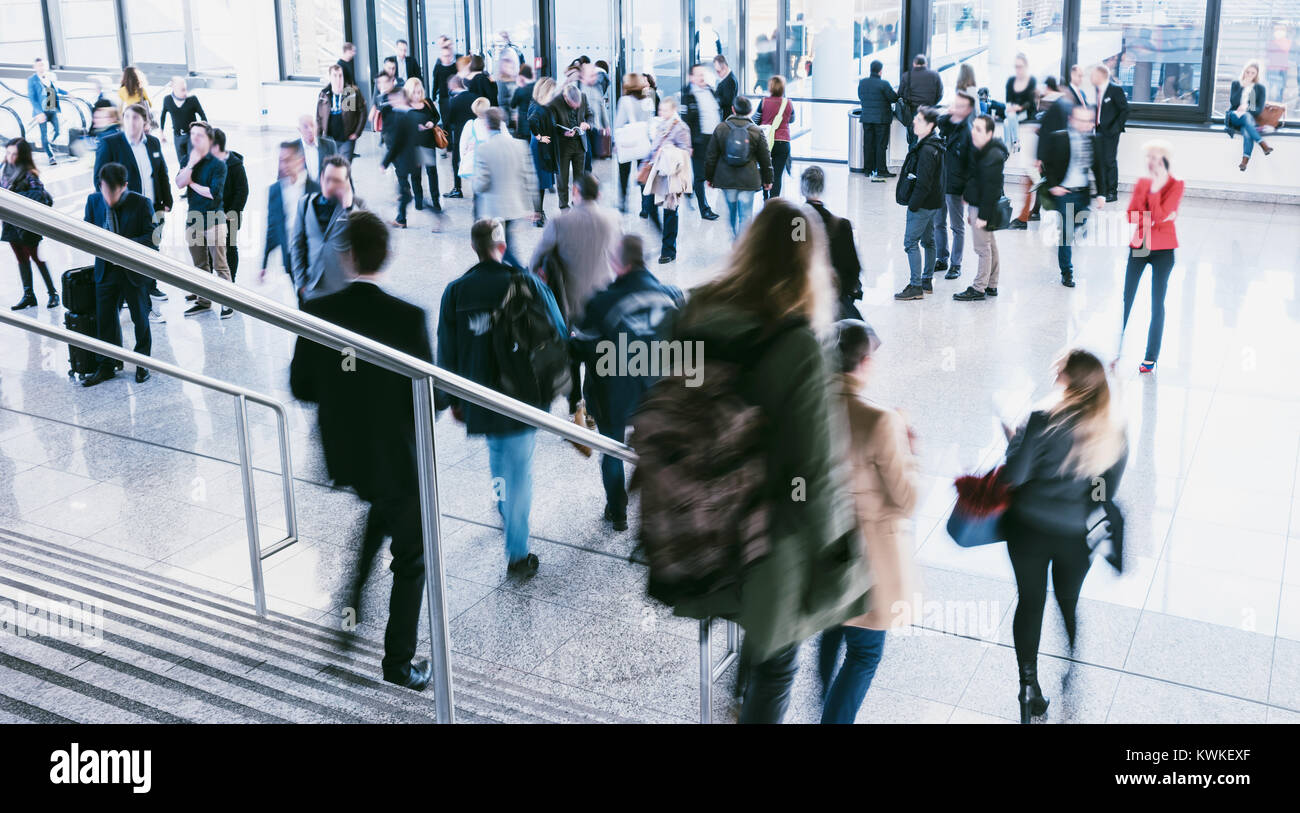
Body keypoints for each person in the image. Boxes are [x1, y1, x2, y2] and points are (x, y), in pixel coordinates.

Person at [667, 199, 872, 724]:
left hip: (702, 522)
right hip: (769, 535)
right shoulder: (800, 343)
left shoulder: (693, 313)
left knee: (754, 633)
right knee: (776, 664)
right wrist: (837, 558)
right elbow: (813, 471)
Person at [289, 210, 435, 691]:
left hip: (347, 453)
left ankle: (349, 605)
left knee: (384, 507)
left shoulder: (317, 312)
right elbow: (425, 400)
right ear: (386, 254)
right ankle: (398, 664)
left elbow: (301, 386)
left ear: (346, 255)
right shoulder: (408, 319)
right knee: (413, 553)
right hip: (392, 452)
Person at [436, 219, 567, 578]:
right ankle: (518, 554)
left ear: (474, 249)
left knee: (497, 456)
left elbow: (445, 350)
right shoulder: (525, 283)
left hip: (479, 395)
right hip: (523, 394)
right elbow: (558, 328)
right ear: (502, 247)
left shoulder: (456, 292)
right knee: (520, 470)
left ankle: (502, 504)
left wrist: (449, 399)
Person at [1001, 349, 1127, 723]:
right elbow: (1103, 493)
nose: (1055, 376)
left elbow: (1014, 477)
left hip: (1027, 529)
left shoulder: (1041, 418)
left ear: (1069, 380)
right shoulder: (1113, 429)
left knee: (1029, 601)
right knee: (1067, 599)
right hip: (1075, 536)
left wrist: (1014, 442)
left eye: (1060, 372)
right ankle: (1071, 659)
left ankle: (1028, 688)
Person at [818, 319, 918, 724]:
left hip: (821, 548)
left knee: (832, 630)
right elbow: (906, 498)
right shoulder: (880, 420)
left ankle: (824, 702)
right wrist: (910, 452)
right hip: (865, 558)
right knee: (864, 654)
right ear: (862, 361)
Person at [79, 162, 157, 386]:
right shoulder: (93, 201)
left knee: (139, 317)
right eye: (105, 189)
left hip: (132, 271)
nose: (109, 195)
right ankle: (106, 365)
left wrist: (120, 245)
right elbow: (86, 232)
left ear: (124, 186)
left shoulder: (141, 203)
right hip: (105, 270)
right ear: (100, 185)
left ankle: (143, 363)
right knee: (105, 319)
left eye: (114, 190)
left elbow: (152, 239)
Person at [1119, 141, 1184, 374]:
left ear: (1166, 161)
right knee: (1127, 297)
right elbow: (1131, 215)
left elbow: (1160, 214)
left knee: (1157, 303)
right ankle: (1117, 347)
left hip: (1164, 251)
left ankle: (1150, 356)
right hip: (1140, 245)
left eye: (1156, 158)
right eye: (1149, 158)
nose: (1151, 162)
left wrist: (1155, 193)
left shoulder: (1176, 185)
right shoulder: (1141, 183)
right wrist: (1155, 216)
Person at [1040, 103, 1102, 288]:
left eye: (1089, 121)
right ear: (1072, 120)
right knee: (1066, 234)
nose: (1086, 124)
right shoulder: (1059, 138)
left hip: (1082, 193)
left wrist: (1101, 193)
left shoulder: (1092, 141)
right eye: (1081, 120)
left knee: (1080, 223)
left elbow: (1099, 169)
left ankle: (1069, 234)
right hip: (1065, 193)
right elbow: (1047, 164)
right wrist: (1053, 186)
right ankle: (1067, 272)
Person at [176, 122, 232, 318]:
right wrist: (190, 165)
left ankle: (228, 302)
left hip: (214, 220)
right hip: (194, 220)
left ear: (209, 139)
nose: (195, 139)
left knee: (220, 265)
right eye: (193, 134)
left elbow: (214, 194)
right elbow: (179, 183)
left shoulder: (218, 165)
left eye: (200, 135)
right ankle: (203, 301)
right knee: (199, 266)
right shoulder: (187, 160)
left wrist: (192, 182)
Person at [894, 107, 946, 301]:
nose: (914, 123)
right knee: (928, 241)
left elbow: (923, 183)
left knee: (910, 242)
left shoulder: (926, 149)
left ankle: (916, 286)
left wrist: (913, 205)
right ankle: (927, 281)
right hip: (934, 202)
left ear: (930, 125)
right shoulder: (936, 144)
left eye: (919, 121)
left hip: (923, 204)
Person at [954, 115, 1008, 301]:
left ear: (989, 133)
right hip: (978, 205)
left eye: (978, 129)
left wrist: (982, 216)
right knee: (990, 244)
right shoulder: (983, 150)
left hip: (983, 208)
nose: (973, 132)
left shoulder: (991, 156)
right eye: (973, 127)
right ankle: (991, 284)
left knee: (982, 248)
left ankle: (979, 288)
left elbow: (991, 190)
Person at [473, 108, 536, 267]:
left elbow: (481, 184)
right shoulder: (520, 145)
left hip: (495, 209)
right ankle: (513, 273)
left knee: (502, 248)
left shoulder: (484, 149)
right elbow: (529, 176)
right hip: (515, 206)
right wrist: (531, 206)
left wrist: (474, 183)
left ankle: (523, 273)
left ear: (487, 126)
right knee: (504, 243)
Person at [292, 155, 357, 303]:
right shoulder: (305, 203)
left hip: (342, 288)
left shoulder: (352, 210)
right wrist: (301, 283)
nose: (330, 185)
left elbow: (361, 244)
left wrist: (348, 208)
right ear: (321, 178)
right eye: (327, 179)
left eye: (337, 181)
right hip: (312, 287)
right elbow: (297, 245)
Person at [704, 96, 772, 239]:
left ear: (733, 109)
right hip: (749, 180)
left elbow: (711, 156)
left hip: (727, 180)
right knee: (746, 217)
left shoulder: (721, 128)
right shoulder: (757, 130)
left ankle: (735, 244)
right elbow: (765, 159)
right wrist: (768, 179)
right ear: (750, 111)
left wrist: (709, 177)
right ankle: (742, 248)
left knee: (731, 213)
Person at [3, 139, 59, 310]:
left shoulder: (28, 173)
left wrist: (15, 196)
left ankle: (53, 293)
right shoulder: (3, 168)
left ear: (22, 155)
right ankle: (29, 295)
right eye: (8, 153)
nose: (10, 157)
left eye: (14, 154)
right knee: (21, 259)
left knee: (36, 258)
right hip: (10, 222)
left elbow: (37, 195)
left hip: (26, 225)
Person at [801, 166, 862, 319]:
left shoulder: (797, 222)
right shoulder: (842, 226)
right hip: (832, 301)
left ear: (802, 188)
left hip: (802, 299)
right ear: (823, 188)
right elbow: (853, 269)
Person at [640, 96, 693, 264]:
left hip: (672, 175)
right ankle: (664, 234)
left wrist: (668, 151)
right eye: (660, 109)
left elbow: (685, 152)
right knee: (648, 206)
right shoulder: (661, 125)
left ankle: (668, 250)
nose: (660, 112)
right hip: (656, 172)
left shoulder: (681, 128)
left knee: (670, 211)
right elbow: (653, 148)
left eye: (664, 110)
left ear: (673, 110)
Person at [260, 141, 318, 282]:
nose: (283, 165)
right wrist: (264, 264)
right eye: (281, 161)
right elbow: (272, 227)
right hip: (290, 259)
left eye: (288, 160)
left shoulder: (316, 190)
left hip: (314, 260)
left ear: (300, 160)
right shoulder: (275, 190)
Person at [934, 90, 975, 282]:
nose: (955, 108)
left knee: (957, 227)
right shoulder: (948, 124)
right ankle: (941, 258)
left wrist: (967, 191)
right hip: (940, 181)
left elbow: (971, 165)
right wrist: (949, 113)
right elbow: (938, 122)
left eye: (960, 106)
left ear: (968, 110)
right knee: (938, 223)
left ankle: (955, 264)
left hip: (956, 186)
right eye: (954, 104)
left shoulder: (968, 132)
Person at [548, 83, 594, 210]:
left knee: (580, 177)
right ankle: (563, 205)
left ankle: (577, 201)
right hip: (563, 144)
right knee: (562, 177)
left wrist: (588, 124)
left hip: (580, 143)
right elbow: (550, 125)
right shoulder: (554, 102)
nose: (575, 108)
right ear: (565, 97)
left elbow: (590, 114)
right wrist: (563, 132)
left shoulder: (583, 97)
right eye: (572, 105)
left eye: (577, 106)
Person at [403, 78, 445, 216]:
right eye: (414, 92)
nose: (417, 95)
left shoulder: (427, 102)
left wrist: (431, 123)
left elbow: (436, 116)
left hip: (428, 143)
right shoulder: (405, 106)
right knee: (416, 175)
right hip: (413, 145)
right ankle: (419, 201)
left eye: (419, 91)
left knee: (432, 173)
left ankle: (435, 200)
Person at [380, 88, 421, 229]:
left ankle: (402, 218)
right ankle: (401, 218)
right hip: (413, 158)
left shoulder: (402, 116)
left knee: (404, 190)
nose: (392, 101)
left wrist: (385, 162)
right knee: (406, 189)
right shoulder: (409, 114)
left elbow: (397, 143)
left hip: (405, 160)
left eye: (395, 98)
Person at [613, 73, 654, 214]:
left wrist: (615, 143)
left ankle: (623, 203)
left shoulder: (624, 101)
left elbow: (618, 124)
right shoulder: (648, 100)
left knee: (624, 174)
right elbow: (650, 122)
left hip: (627, 143)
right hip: (643, 142)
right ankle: (645, 207)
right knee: (643, 173)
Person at [211, 129, 248, 283]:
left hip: (229, 216)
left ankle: (231, 281)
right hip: (211, 214)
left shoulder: (235, 165)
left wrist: (231, 212)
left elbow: (243, 190)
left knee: (230, 248)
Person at [1090, 64, 1128, 202]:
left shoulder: (1115, 89)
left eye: (1093, 75)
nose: (1091, 78)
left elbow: (1124, 109)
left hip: (1111, 131)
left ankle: (1112, 192)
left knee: (1109, 161)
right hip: (1098, 130)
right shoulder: (1096, 90)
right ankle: (1103, 191)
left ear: (1101, 75)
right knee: (1099, 160)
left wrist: (1117, 127)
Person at [1227, 60, 1274, 171]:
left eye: (1252, 73)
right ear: (1244, 72)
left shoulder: (1260, 88)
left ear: (1257, 75)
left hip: (1249, 118)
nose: (1249, 75)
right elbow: (1233, 103)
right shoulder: (1236, 84)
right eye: (1247, 72)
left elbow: (1258, 109)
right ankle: (1263, 144)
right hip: (1235, 116)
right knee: (1247, 118)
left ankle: (1244, 161)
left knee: (1247, 130)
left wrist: (1246, 108)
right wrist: (1243, 86)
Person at [754, 75, 796, 199]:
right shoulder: (788, 103)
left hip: (766, 143)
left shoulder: (764, 101)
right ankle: (774, 202)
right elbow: (792, 119)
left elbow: (755, 120)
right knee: (777, 175)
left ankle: (765, 196)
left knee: (766, 170)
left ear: (770, 87)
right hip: (783, 142)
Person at [317, 63, 367, 164]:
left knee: (344, 168)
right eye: (335, 76)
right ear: (330, 77)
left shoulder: (350, 92)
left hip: (346, 139)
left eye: (340, 75)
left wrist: (357, 133)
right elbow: (318, 118)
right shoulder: (324, 94)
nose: (338, 79)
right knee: (331, 168)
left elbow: (362, 112)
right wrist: (318, 138)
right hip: (329, 140)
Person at [857, 60, 897, 181]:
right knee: (881, 145)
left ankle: (868, 170)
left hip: (867, 118)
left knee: (868, 144)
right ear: (880, 71)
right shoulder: (884, 84)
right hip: (881, 119)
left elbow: (860, 96)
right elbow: (893, 98)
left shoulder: (863, 82)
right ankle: (881, 170)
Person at [526, 77, 559, 225]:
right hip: (538, 148)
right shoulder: (537, 107)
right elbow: (532, 122)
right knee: (538, 183)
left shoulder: (541, 105)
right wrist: (541, 137)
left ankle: (539, 212)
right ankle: (538, 214)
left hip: (542, 147)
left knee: (540, 183)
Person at [26, 58, 69, 165]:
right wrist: (39, 112)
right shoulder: (32, 79)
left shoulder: (51, 76)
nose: (41, 67)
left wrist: (67, 93)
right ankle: (51, 157)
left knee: (58, 131)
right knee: (44, 134)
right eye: (39, 65)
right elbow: (32, 98)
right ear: (35, 67)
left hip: (52, 109)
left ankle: (45, 144)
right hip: (42, 112)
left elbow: (56, 89)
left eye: (43, 65)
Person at [158, 77, 208, 165]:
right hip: (177, 136)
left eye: (186, 89)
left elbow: (203, 115)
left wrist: (205, 132)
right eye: (182, 90)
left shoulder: (192, 100)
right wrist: (161, 133)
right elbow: (163, 116)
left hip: (192, 135)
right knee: (182, 163)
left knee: (193, 161)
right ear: (174, 89)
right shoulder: (167, 100)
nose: (185, 92)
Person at [899, 55, 942, 149]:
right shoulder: (935, 75)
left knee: (913, 139)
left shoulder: (907, 76)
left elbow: (900, 93)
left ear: (914, 64)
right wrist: (931, 105)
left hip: (912, 111)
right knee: (929, 138)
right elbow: (940, 94)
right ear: (926, 64)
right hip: (929, 111)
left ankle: (913, 162)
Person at [443, 75, 475, 198]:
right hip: (474, 134)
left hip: (459, 135)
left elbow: (448, 121)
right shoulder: (475, 97)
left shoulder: (454, 101)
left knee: (456, 161)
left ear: (453, 86)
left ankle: (457, 188)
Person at [1004, 54, 1037, 154]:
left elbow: (1030, 102)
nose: (1018, 69)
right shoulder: (1010, 81)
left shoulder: (1032, 81)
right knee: (1010, 115)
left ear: (1026, 66)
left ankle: (1007, 149)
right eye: (1016, 66)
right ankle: (1016, 142)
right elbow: (1008, 100)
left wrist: (1019, 108)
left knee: (1006, 122)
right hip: (1012, 111)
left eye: (1020, 66)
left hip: (1025, 111)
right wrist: (1010, 107)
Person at [581, 63, 611, 171]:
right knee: (587, 154)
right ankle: (586, 177)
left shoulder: (596, 88)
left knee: (593, 154)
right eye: (592, 75)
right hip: (582, 128)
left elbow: (601, 107)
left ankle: (586, 175)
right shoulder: (578, 88)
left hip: (594, 127)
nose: (595, 78)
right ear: (584, 76)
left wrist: (606, 125)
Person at [296, 114, 338, 184]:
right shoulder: (293, 148)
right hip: (302, 192)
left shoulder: (330, 145)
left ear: (317, 126)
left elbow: (338, 170)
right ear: (299, 129)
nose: (310, 130)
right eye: (305, 127)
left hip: (325, 191)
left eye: (312, 125)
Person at [431, 42, 460, 133]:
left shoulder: (455, 67)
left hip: (455, 97)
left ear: (451, 55)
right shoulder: (438, 68)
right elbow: (435, 83)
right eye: (444, 56)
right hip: (443, 98)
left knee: (455, 122)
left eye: (448, 55)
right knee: (446, 122)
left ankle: (456, 144)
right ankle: (448, 145)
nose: (446, 58)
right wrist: (434, 97)